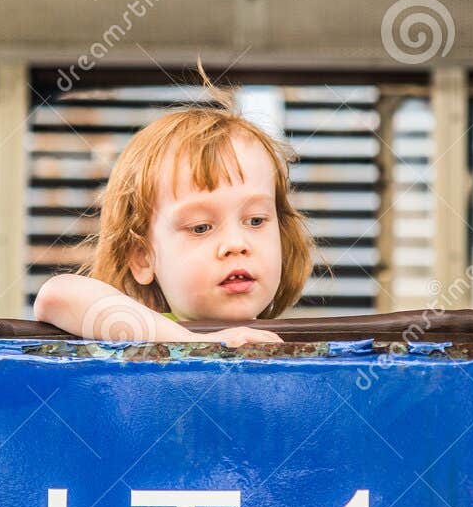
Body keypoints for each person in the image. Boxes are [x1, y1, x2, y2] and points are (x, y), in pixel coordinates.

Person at [33, 104, 313, 346]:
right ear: (142, 257)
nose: (236, 244)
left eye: (255, 221)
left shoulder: (294, 340)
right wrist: (193, 343)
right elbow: (56, 296)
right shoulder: (142, 330)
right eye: (200, 227)